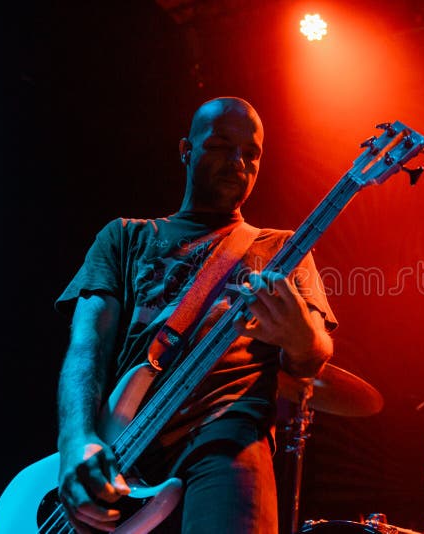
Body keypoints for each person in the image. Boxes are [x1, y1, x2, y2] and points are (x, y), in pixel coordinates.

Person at [54, 96, 337, 533]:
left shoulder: (283, 250)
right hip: (122, 450)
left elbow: (313, 352)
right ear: (186, 150)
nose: (238, 161)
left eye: (252, 153)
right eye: (222, 145)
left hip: (226, 438)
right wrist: (75, 442)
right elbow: (87, 346)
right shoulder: (125, 236)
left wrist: (302, 338)